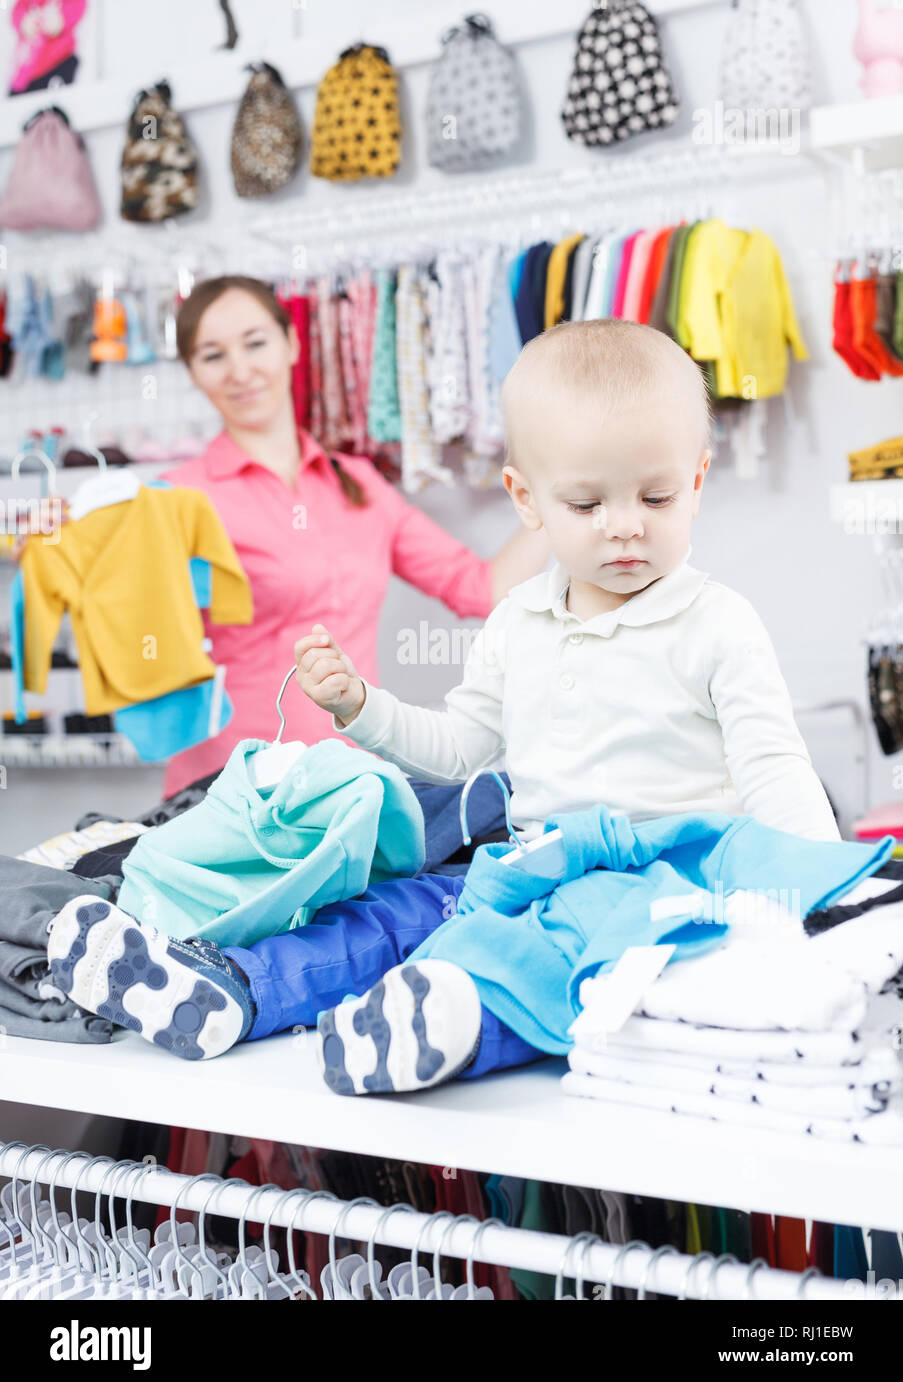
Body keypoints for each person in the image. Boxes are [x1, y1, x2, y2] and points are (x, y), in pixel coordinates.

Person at [44, 319, 847, 1076]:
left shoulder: (716, 622)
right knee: (399, 910)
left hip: (661, 875)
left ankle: (447, 1026)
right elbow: (460, 747)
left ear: (697, 482)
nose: (624, 526)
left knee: (550, 958)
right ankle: (232, 989)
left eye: (656, 498)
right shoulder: (518, 620)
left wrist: (834, 900)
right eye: (586, 503)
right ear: (526, 500)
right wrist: (361, 706)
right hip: (528, 862)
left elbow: (775, 770)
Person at [157, 275, 550, 795]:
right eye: (213, 356)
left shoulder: (360, 485)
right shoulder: (172, 498)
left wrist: (558, 496)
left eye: (256, 343)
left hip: (352, 783)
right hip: (229, 789)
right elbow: (130, 627)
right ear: (192, 372)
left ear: (292, 343)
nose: (241, 371)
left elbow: (485, 589)